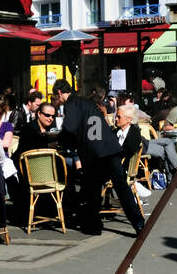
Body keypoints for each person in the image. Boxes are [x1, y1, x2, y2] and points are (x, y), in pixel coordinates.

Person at [54, 79, 141, 234]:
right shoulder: (87, 103)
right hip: (110, 147)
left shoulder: (71, 103)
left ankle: (93, 226)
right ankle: (139, 223)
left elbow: (70, 128)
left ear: (59, 92)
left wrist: (59, 141)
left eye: (56, 96)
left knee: (92, 190)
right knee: (121, 187)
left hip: (94, 153)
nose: (57, 100)